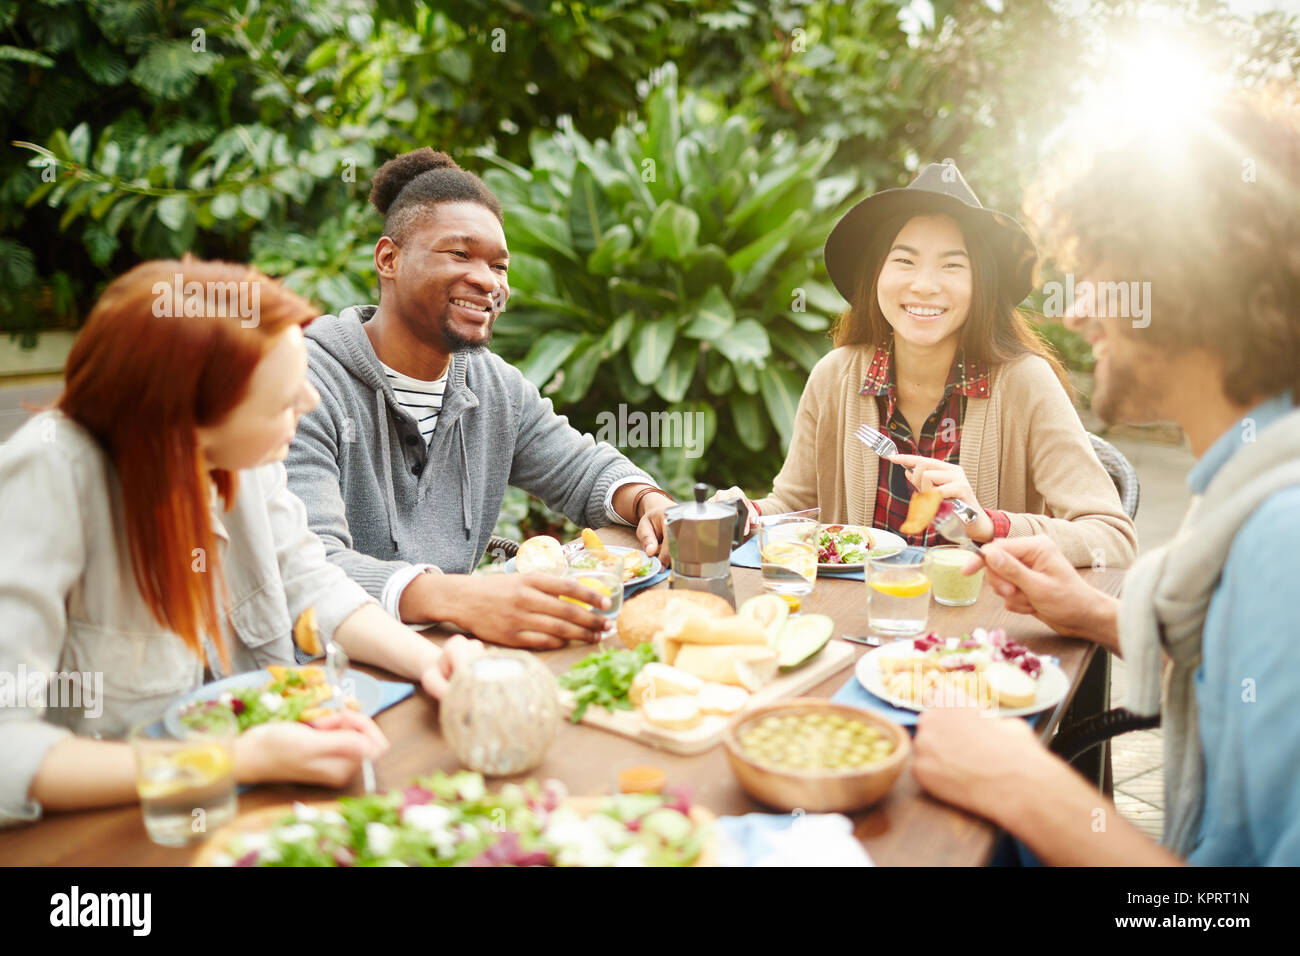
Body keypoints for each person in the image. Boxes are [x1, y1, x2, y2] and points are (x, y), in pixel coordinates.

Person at [912, 87, 1300, 865]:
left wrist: (1025, 782)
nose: (1083, 311)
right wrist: (1090, 612)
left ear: (1194, 285)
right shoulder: (1245, 491)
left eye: (1103, 279)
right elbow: (1237, 678)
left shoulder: (1281, 542)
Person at [0, 258, 481, 825]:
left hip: (254, 810)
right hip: (113, 830)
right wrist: (238, 758)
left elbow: (308, 581)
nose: (308, 404)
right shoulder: (49, 479)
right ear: (184, 421)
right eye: (280, 401)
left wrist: (430, 661)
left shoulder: (242, 457)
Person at [285, 148, 675, 650]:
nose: (489, 281)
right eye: (460, 254)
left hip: (456, 658)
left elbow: (583, 472)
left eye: (500, 265)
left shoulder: (494, 386)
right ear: (389, 258)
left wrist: (648, 500)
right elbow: (308, 564)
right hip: (334, 675)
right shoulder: (302, 383)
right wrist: (464, 598)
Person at [715, 163, 1136, 568]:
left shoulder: (1025, 383)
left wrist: (988, 523)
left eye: (952, 265)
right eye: (904, 261)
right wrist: (746, 512)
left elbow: (1111, 539)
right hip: (860, 626)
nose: (925, 285)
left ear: (981, 285)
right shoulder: (834, 377)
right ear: (876, 274)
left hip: (981, 633)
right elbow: (794, 508)